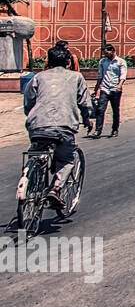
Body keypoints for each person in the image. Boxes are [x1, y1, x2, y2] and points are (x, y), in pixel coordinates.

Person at [22, 46, 94, 213]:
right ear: (68, 62)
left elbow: (28, 102)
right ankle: (55, 189)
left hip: (37, 126)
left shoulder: (38, 77)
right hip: (64, 126)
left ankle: (32, 177)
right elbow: (85, 103)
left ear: (48, 61)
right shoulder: (76, 77)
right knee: (67, 160)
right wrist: (88, 119)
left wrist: (33, 115)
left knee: (37, 154)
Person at [92, 43, 128, 139]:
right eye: (104, 53)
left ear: (112, 51)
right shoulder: (102, 62)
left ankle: (115, 129)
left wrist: (119, 85)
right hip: (105, 88)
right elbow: (100, 76)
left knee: (115, 110)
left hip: (115, 88)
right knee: (100, 109)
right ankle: (98, 130)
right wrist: (96, 88)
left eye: (107, 53)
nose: (105, 55)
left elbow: (123, 75)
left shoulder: (121, 62)